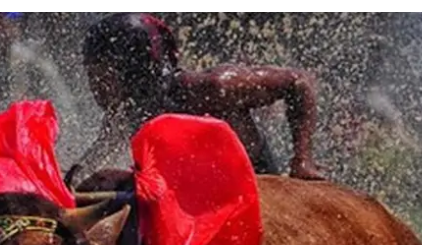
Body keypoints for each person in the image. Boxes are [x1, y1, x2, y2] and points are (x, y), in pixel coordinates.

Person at [74, 13, 324, 181]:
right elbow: (97, 154)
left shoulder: (212, 88)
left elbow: (298, 82)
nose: (93, 87)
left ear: (132, 70)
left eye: (100, 77)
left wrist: (302, 160)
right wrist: (70, 179)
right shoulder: (130, 111)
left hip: (260, 190)